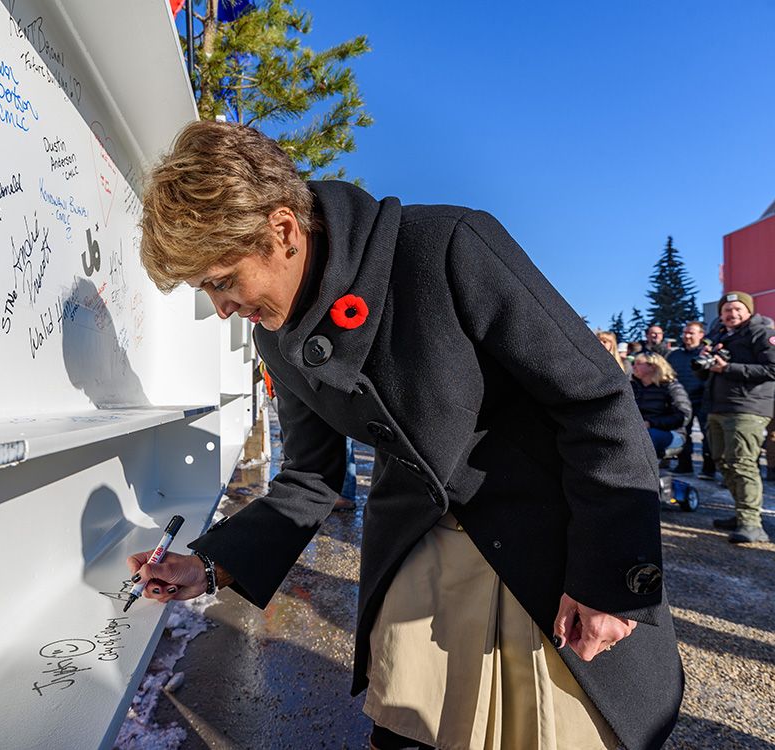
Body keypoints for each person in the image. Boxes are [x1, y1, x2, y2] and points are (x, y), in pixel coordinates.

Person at [131, 120, 682, 750]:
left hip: (549, 545)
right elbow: (311, 478)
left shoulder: (448, 243)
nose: (222, 307)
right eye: (208, 291)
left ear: (282, 230)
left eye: (223, 281)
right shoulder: (274, 339)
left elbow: (596, 400)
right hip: (420, 552)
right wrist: (210, 562)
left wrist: (608, 577)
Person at [699, 292, 775, 544]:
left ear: (749, 311)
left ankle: (752, 524)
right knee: (723, 461)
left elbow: (772, 368)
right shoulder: (720, 336)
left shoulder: (761, 332)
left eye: (737, 309)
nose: (731, 314)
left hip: (748, 408)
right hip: (719, 406)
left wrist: (727, 368)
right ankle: (741, 512)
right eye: (727, 310)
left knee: (742, 463)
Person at [666, 322, 714, 475]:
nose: (687, 336)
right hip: (682, 402)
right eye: (685, 332)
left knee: (708, 435)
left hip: (704, 399)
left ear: (701, 335)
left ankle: (709, 469)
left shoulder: (707, 354)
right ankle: (684, 465)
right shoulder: (674, 355)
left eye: (691, 333)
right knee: (682, 433)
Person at [630, 352, 692, 458]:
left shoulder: (672, 387)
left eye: (638, 363)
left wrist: (651, 423)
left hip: (670, 433)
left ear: (652, 367)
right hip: (638, 431)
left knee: (647, 437)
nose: (633, 366)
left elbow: (684, 415)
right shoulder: (632, 387)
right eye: (633, 363)